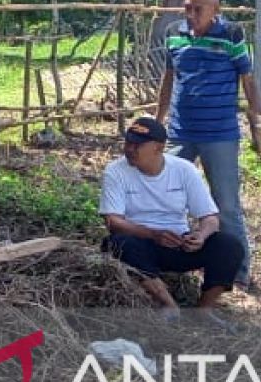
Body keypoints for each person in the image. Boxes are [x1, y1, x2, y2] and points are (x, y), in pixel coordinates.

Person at [155, 0, 261, 290]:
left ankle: (237, 272)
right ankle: (168, 263)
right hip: (180, 132)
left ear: (216, 10)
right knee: (167, 196)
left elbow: (247, 79)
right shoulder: (175, 33)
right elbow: (169, 77)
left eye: (197, 8)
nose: (190, 13)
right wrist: (159, 121)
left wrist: (257, 120)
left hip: (220, 134)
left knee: (225, 204)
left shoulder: (230, 35)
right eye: (187, 6)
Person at [100, 117, 244, 314]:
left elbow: (210, 218)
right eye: (128, 142)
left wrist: (200, 236)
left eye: (138, 145)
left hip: (179, 242)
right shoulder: (115, 171)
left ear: (159, 148)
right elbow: (112, 221)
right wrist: (152, 234)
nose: (130, 149)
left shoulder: (184, 170)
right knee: (117, 243)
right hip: (141, 243)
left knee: (229, 245)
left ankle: (204, 309)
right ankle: (168, 304)